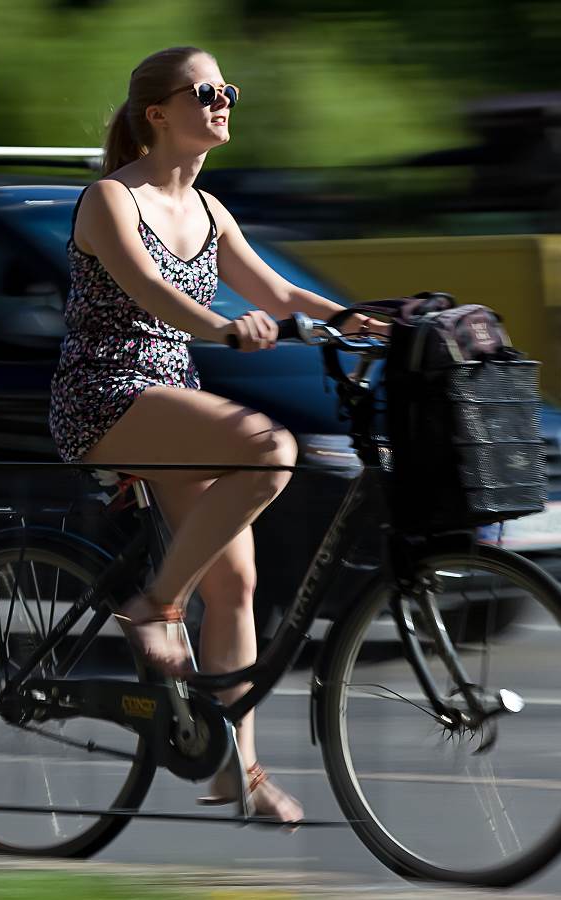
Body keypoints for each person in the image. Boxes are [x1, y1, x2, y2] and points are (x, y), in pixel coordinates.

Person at [48, 45, 382, 824]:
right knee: (271, 448)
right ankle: (156, 606)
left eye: (228, 89)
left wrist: (349, 318)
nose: (224, 100)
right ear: (158, 113)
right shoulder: (111, 199)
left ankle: (240, 771)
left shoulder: (207, 207)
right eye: (206, 92)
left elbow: (278, 287)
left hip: (171, 398)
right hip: (106, 396)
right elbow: (155, 295)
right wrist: (227, 330)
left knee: (237, 584)